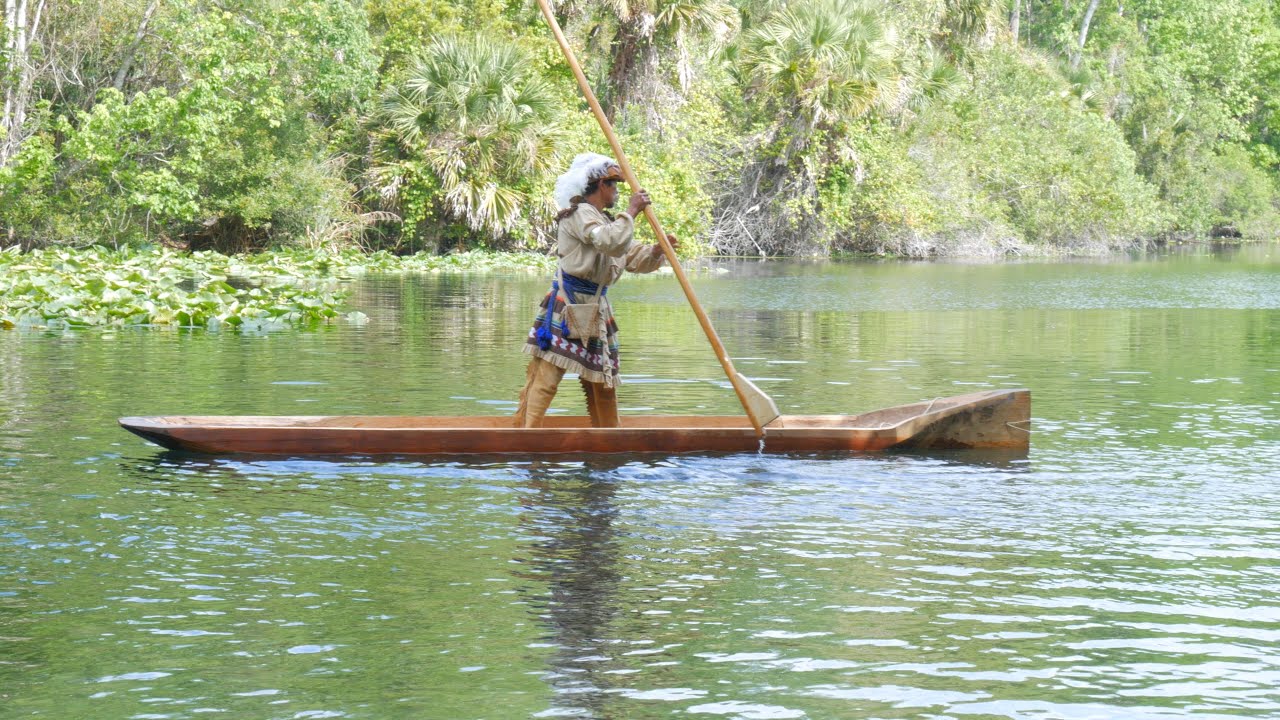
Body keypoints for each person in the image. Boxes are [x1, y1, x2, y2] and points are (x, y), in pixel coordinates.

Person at [514, 152, 677, 428]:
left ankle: (609, 435)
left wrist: (657, 250)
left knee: (604, 376)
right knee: (548, 375)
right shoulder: (579, 215)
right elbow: (608, 242)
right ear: (601, 185)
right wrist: (632, 211)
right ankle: (526, 433)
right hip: (570, 303)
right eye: (613, 184)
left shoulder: (605, 219)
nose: (616, 191)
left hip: (596, 307)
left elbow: (629, 257)